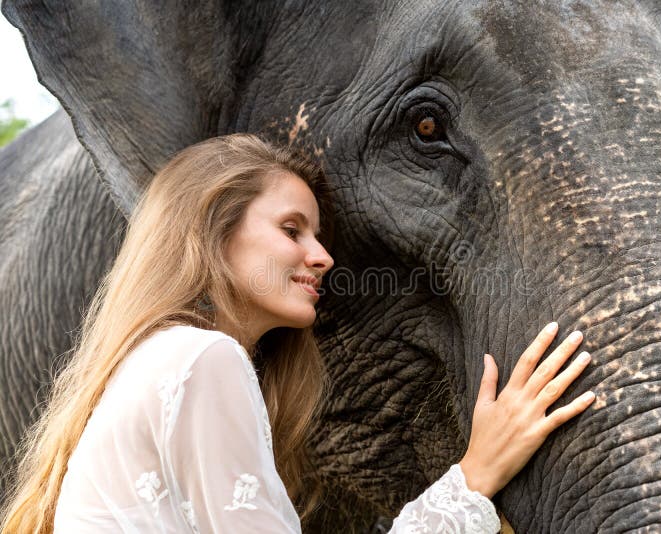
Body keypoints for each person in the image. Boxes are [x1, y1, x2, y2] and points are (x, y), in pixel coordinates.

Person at [0, 134, 595, 533]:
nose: (323, 257)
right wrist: (475, 478)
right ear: (213, 230)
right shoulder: (201, 359)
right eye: (293, 230)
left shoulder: (154, 361)